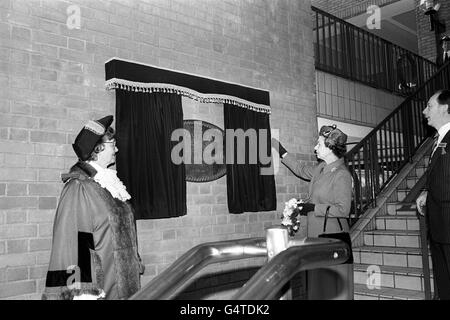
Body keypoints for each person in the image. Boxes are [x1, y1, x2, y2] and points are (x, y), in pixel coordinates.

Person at [42, 115, 144, 300]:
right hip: (101, 288)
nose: (117, 149)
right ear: (99, 147)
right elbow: (70, 244)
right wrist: (82, 293)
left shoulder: (109, 185)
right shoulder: (79, 188)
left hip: (125, 284)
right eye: (113, 144)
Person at [272, 124, 353, 300]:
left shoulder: (342, 174)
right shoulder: (321, 168)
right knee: (317, 288)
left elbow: (344, 209)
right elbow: (301, 170)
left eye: (319, 144)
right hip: (316, 234)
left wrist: (313, 208)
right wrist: (279, 149)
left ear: (330, 148)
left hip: (333, 236)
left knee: (332, 290)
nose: (315, 147)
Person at [416, 89, 450, 300]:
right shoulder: (439, 140)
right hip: (439, 226)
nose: (424, 111)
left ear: (446, 108)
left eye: (430, 106)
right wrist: (427, 191)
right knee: (444, 283)